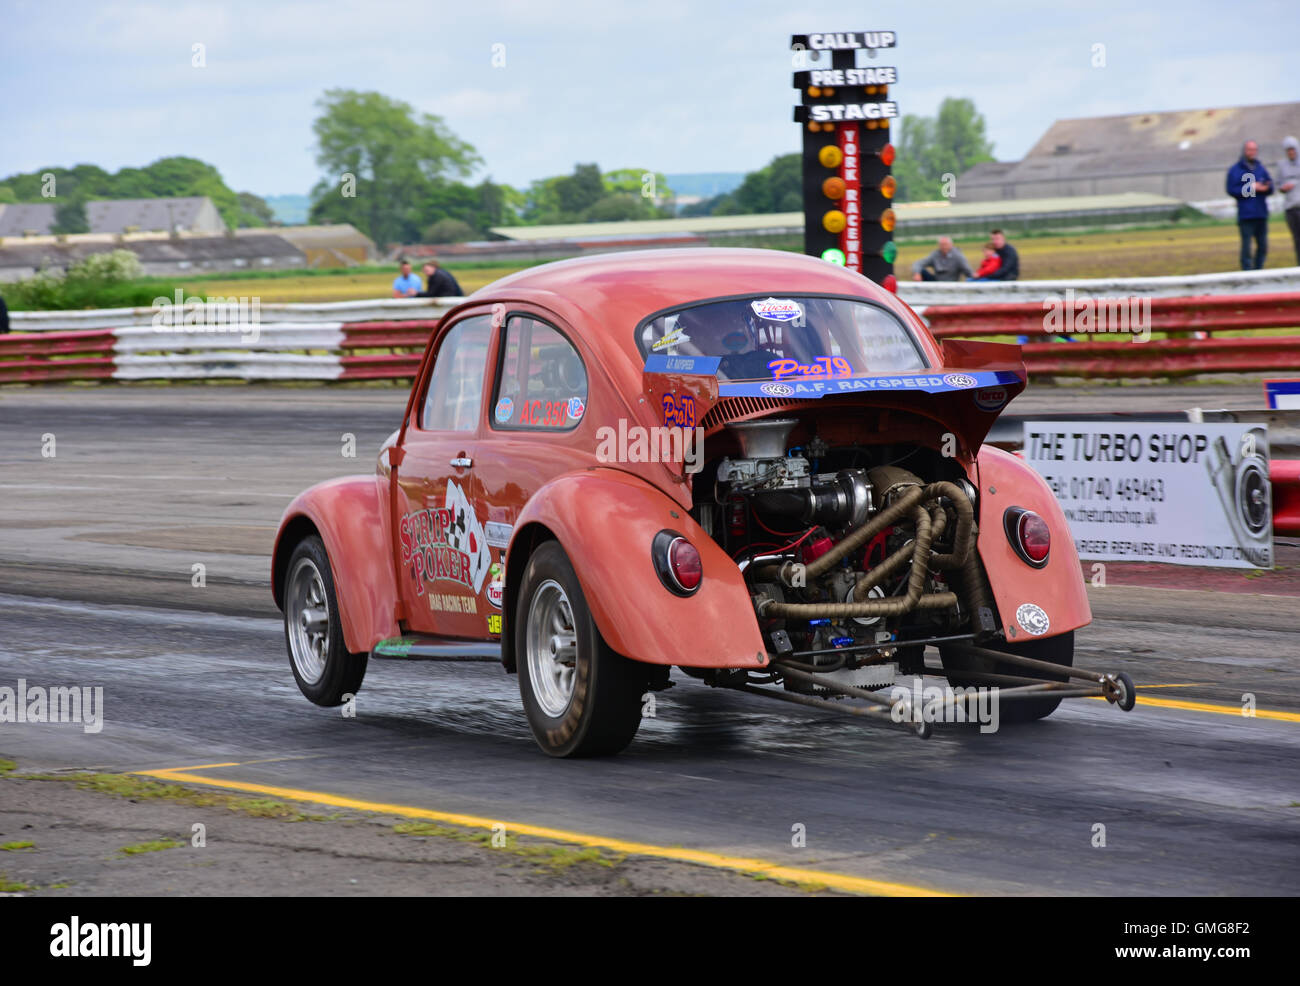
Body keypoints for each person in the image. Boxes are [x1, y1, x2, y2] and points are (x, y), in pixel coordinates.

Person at [1226, 140, 1274, 270]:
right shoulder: (1235, 170)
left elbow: (1270, 186)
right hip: (1246, 214)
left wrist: (1265, 188)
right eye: (1249, 150)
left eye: (1254, 150)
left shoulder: (1260, 168)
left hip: (1261, 212)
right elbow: (1231, 189)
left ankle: (1259, 270)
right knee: (1247, 247)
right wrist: (1252, 187)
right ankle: (1247, 272)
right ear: (1244, 151)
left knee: (1263, 246)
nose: (1252, 152)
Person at [1276, 136, 1300, 265]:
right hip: (1291, 208)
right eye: (1288, 150)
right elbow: (1277, 184)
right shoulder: (1282, 166)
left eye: (1293, 150)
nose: (1291, 153)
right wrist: (1283, 188)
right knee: (1297, 239)